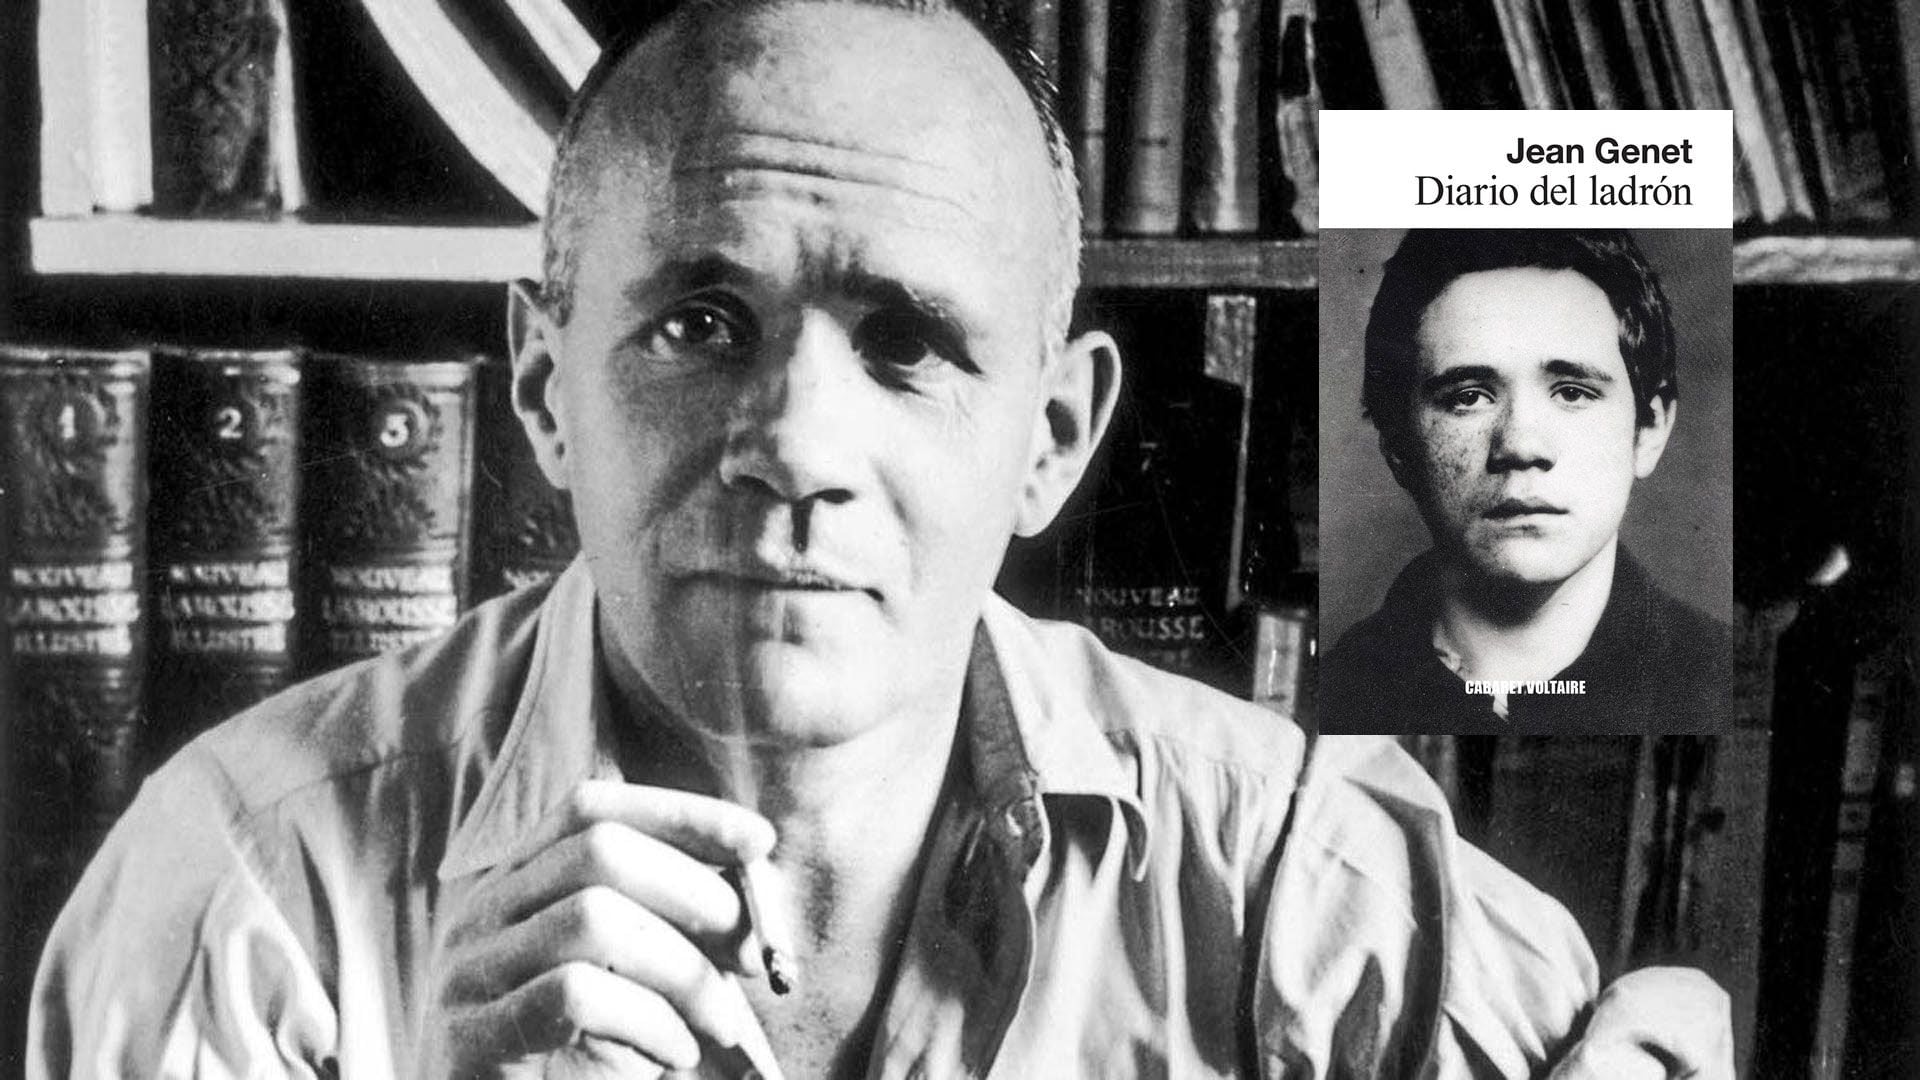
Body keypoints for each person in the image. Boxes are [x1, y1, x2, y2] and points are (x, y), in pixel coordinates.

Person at [29, 3, 1731, 1076]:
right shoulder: (243, 895)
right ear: (544, 387)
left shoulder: (1296, 875)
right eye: (699, 324)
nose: (794, 444)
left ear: (1052, 438)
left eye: (909, 343)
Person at [1320, 230, 1732, 735]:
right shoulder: (1333, 692)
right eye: (1468, 397)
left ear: (1648, 430)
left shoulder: (1717, 685)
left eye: (1573, 392)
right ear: (1398, 446)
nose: (1520, 445)